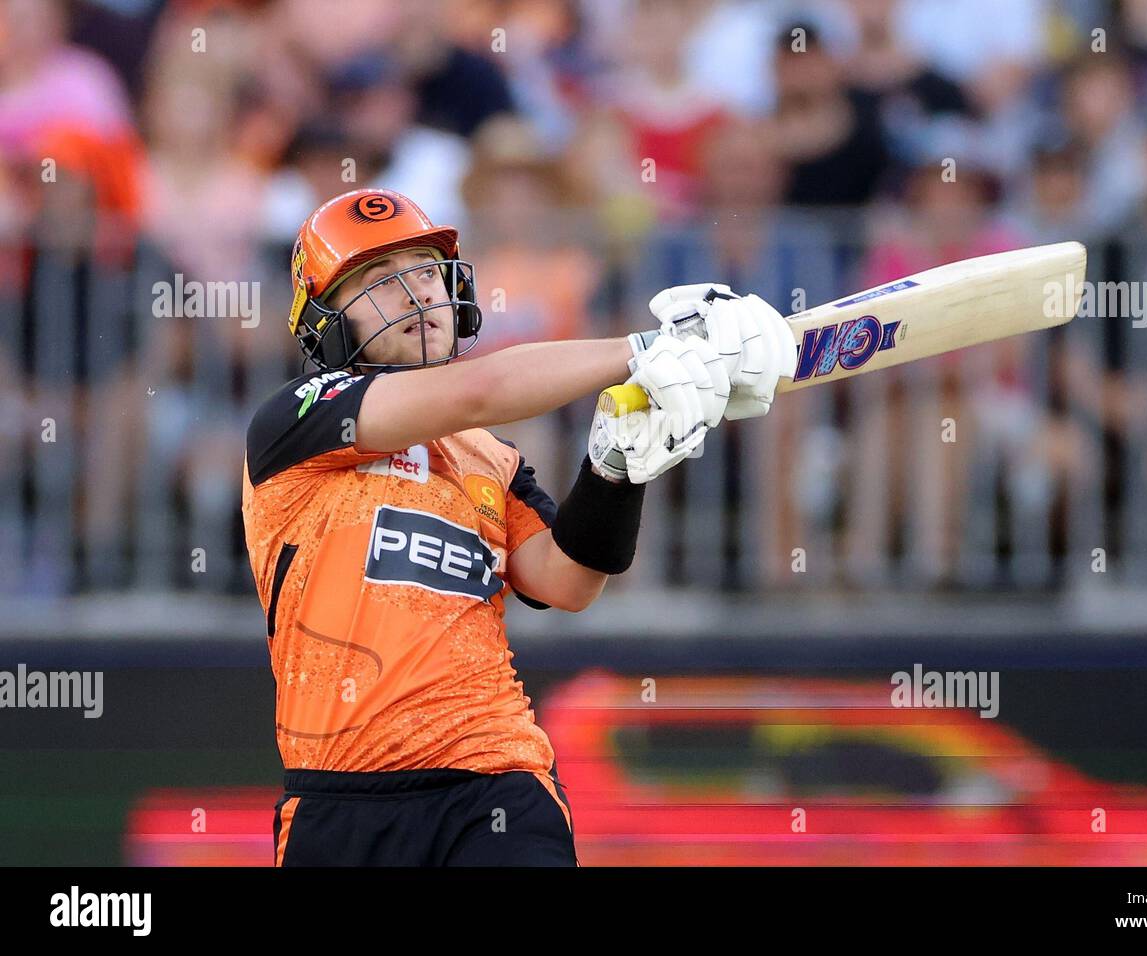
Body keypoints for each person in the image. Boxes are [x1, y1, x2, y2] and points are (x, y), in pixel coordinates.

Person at [240, 188, 795, 865]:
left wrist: (617, 466)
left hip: (495, 780)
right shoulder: (293, 422)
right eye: (380, 282)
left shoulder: (488, 455)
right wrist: (653, 348)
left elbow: (567, 581)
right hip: (337, 796)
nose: (416, 293)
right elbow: (480, 389)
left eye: (423, 271)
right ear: (326, 322)